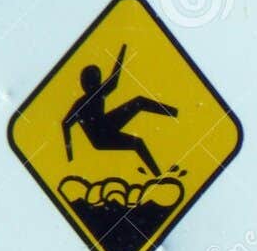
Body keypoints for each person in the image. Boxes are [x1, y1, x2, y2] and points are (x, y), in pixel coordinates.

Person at [62, 44, 177, 175]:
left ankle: (176, 113)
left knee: (139, 102)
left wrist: (122, 53)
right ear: (85, 83)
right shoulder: (80, 104)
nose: (97, 84)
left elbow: (114, 79)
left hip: (106, 124)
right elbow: (65, 124)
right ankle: (158, 176)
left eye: (97, 80)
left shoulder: (98, 93)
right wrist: (69, 156)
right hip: (102, 138)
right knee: (137, 143)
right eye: (93, 81)